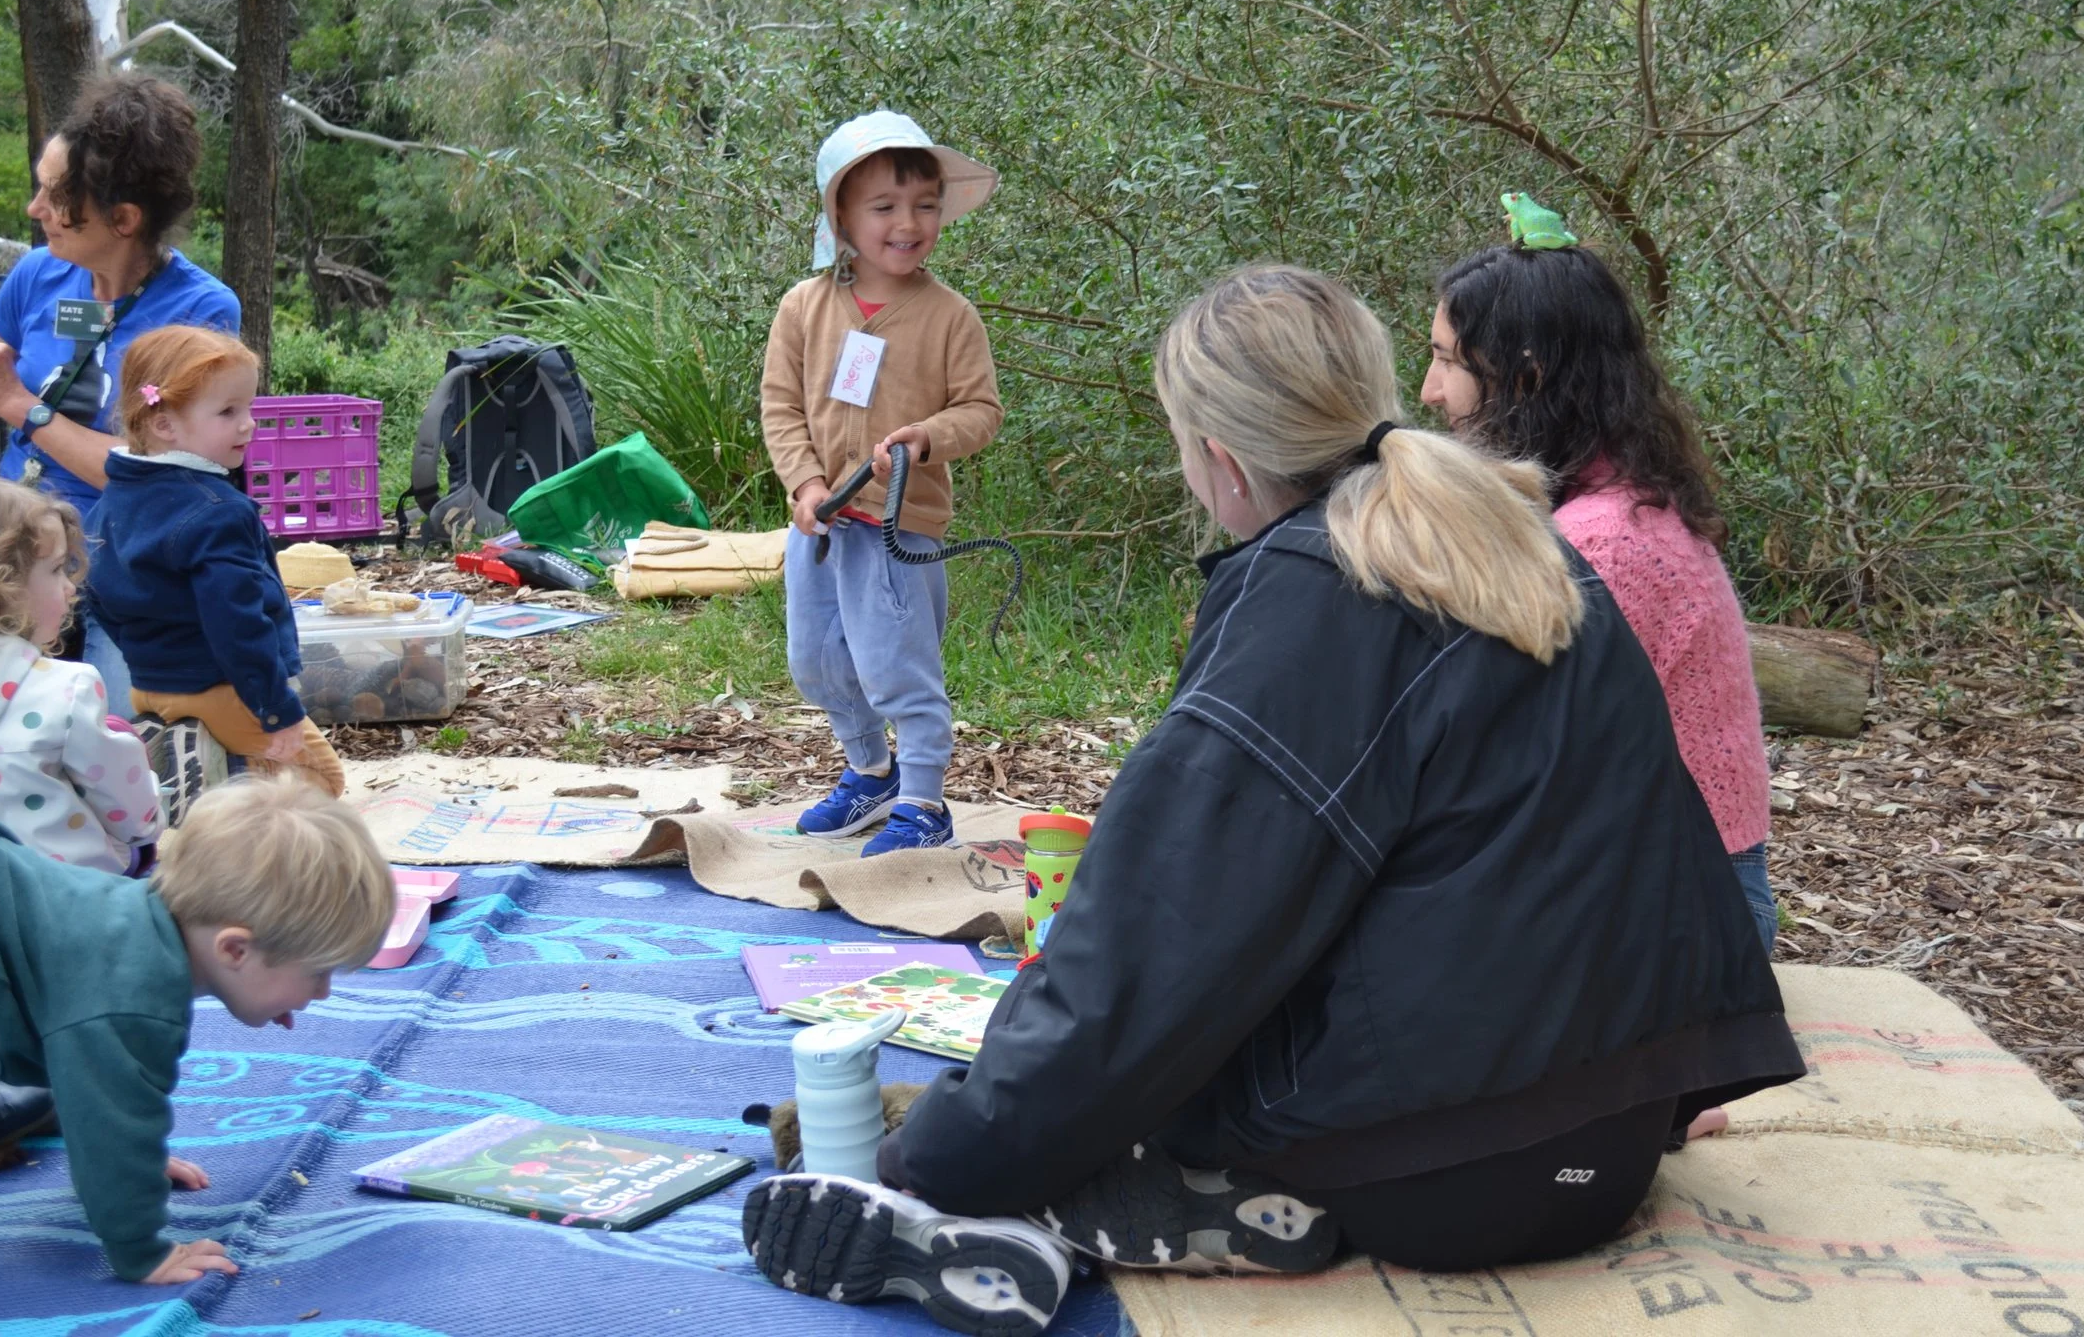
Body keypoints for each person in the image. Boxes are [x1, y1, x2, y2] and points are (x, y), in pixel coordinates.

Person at [743, 267, 1802, 1336]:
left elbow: (1158, 943)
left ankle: (1075, 1195)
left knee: (1151, 1042)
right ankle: (1140, 1189)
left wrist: (935, 1154)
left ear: (1216, 453)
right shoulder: (1516, 539)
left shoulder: (1318, 595)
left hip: (1452, 1175)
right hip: (1613, 1140)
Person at [1421, 237, 1777, 951]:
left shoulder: (1606, 544)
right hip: (1655, 881)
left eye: (1448, 361)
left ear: (1524, 378)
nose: (1430, 391)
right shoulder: (1613, 499)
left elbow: (1499, 764)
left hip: (1692, 914)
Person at [0, 775, 392, 1278]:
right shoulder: (130, 999)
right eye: (317, 973)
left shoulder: (136, 935)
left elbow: (104, 1106)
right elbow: (110, 1110)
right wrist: (142, 1249)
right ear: (234, 950)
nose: (323, 994)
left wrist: (129, 1159)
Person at [0, 73, 239, 712]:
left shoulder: (199, 311)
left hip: (129, 575)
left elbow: (150, 474)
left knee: (117, 741)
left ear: (123, 218)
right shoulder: (37, 275)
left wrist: (17, 403)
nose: (34, 209)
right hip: (14, 568)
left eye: (53, 194)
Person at [761, 110, 1004, 856]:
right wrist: (803, 485)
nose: (909, 223)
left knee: (899, 666)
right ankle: (873, 773)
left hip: (898, 530)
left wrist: (929, 437)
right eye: (885, 206)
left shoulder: (949, 316)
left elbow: (981, 411)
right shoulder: (804, 307)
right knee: (818, 660)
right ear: (840, 216)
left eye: (925, 205)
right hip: (823, 527)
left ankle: (925, 798)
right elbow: (781, 406)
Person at [86, 326, 343, 796]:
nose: (248, 424)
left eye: (247, 407)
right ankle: (218, 791)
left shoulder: (116, 496)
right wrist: (274, 709)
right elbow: (238, 623)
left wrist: (145, 657)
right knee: (320, 781)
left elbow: (96, 586)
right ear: (165, 424)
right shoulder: (217, 511)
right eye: (228, 412)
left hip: (148, 686)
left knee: (259, 764)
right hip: (223, 687)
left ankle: (199, 768)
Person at [0, 474, 161, 874]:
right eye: (57, 570)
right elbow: (137, 819)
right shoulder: (64, 691)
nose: (70, 589)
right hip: (55, 908)